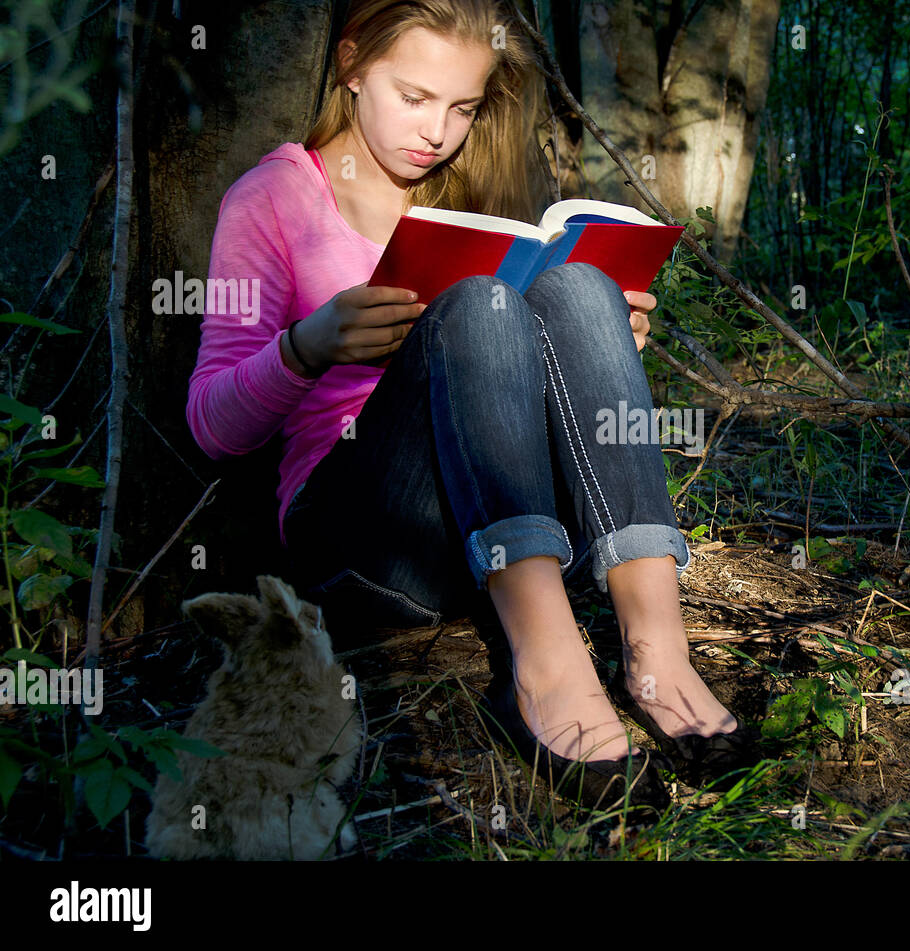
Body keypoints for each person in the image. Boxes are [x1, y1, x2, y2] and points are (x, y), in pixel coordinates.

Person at [186, 0, 749, 803]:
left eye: (463, 107)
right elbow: (211, 427)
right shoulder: (272, 199)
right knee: (480, 307)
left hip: (488, 523)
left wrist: (597, 340)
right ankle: (549, 668)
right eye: (414, 97)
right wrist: (308, 346)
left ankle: (658, 644)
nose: (437, 132)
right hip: (361, 539)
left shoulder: (465, 195)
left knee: (582, 287)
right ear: (351, 66)